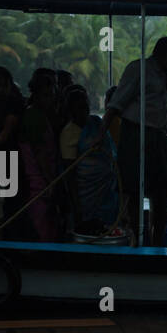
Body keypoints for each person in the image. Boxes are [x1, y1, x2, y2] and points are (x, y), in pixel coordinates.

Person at [102, 36, 167, 245]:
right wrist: (100, 132)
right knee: (133, 188)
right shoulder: (138, 69)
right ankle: (135, 240)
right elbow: (117, 103)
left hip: (158, 136)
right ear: (164, 55)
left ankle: (157, 240)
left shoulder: (164, 76)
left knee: (164, 190)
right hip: (136, 134)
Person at [60, 85, 121, 235]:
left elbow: (111, 152)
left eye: (85, 106)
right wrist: (76, 206)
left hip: (106, 189)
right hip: (84, 194)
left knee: (107, 228)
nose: (84, 111)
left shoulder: (96, 123)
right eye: (79, 108)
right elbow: (70, 172)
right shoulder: (68, 133)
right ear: (70, 111)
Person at [15, 67, 61, 241]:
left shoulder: (39, 115)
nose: (50, 99)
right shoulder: (34, 117)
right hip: (38, 182)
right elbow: (40, 154)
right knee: (41, 225)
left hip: (38, 181)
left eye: (51, 95)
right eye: (46, 95)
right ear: (36, 94)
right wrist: (50, 182)